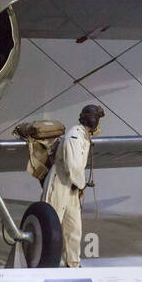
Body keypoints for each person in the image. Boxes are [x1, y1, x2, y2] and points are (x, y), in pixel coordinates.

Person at [41, 104, 104, 267]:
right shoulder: (74, 135)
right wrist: (81, 184)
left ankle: (72, 263)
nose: (98, 123)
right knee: (52, 225)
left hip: (72, 187)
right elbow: (72, 165)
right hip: (60, 184)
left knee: (74, 227)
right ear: (91, 119)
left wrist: (78, 186)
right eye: (97, 118)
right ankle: (45, 263)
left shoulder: (84, 137)